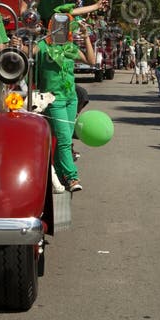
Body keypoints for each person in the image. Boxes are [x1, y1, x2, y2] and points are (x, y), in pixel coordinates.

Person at [33, 12, 95, 192]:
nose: (61, 29)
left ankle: (60, 176)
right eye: (58, 26)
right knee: (64, 140)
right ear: (51, 26)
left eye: (65, 26)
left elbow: (91, 61)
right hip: (54, 100)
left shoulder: (69, 48)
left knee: (63, 140)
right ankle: (72, 178)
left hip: (70, 99)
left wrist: (85, 36)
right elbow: (26, 52)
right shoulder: (43, 45)